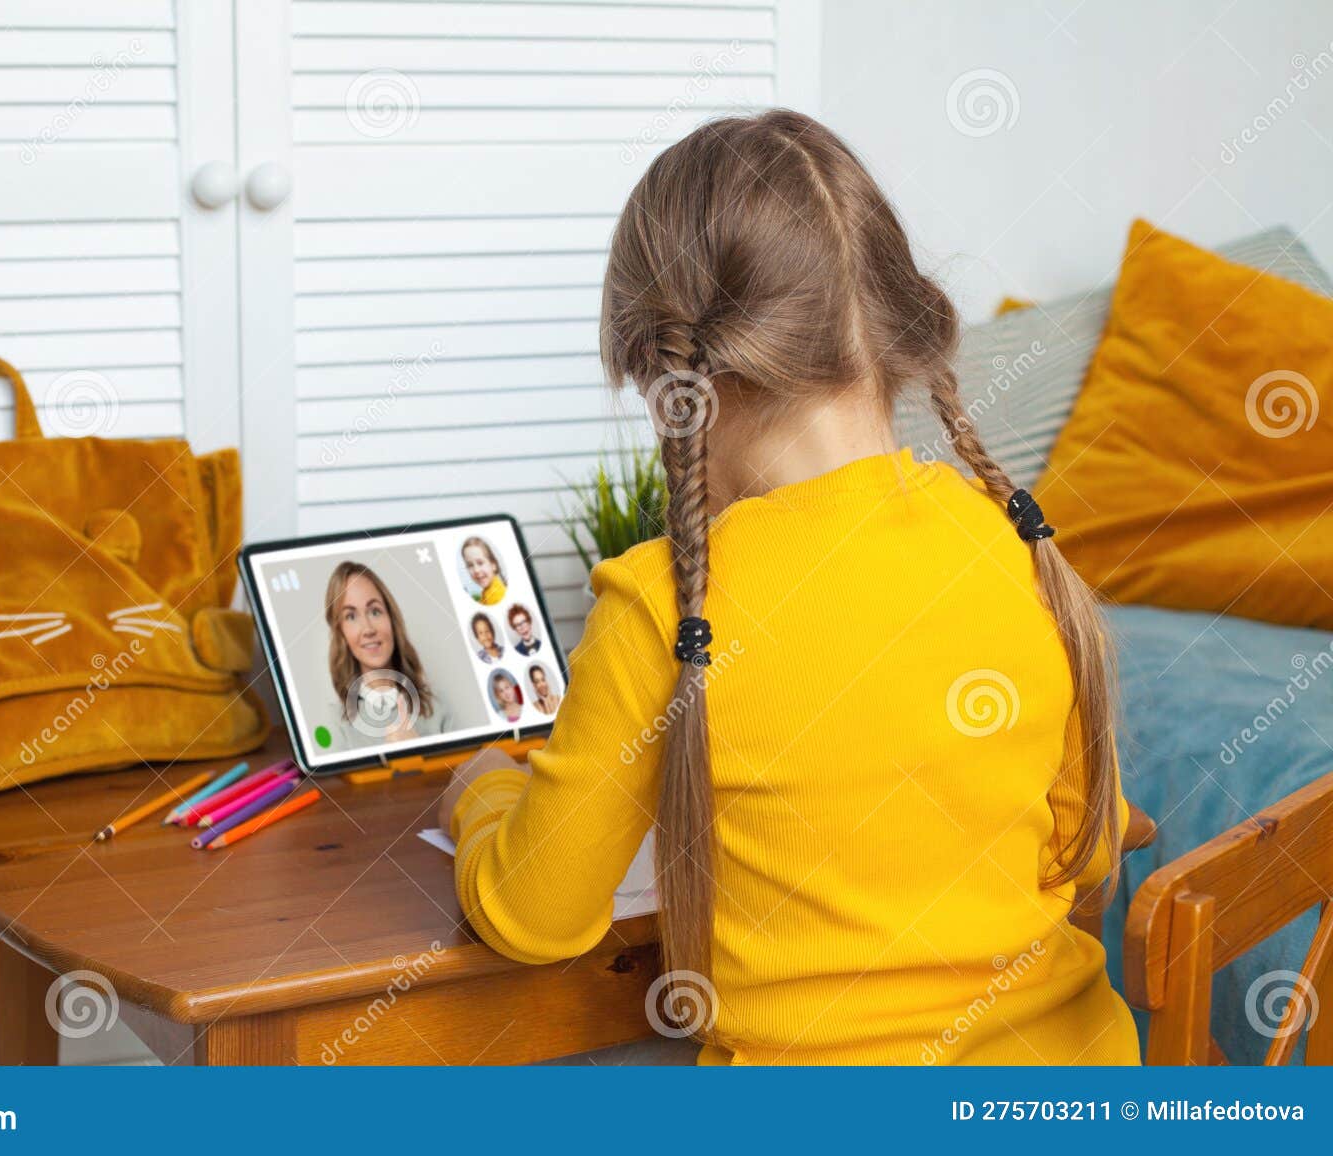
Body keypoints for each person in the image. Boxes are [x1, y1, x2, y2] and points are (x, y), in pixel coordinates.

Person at [437, 111, 1135, 1066]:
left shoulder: (665, 603)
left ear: (665, 372)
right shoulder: (1011, 540)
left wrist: (477, 793)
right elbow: (1085, 853)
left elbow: (536, 916)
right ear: (893, 325)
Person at [324, 560, 452, 748]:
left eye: (375, 611)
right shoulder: (334, 722)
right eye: (351, 616)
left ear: (391, 619)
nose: (368, 629)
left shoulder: (438, 707)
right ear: (341, 632)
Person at [461, 537, 506, 605]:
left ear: (493, 565)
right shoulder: (486, 593)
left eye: (480, 563)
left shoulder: (495, 596)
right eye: (470, 565)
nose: (476, 570)